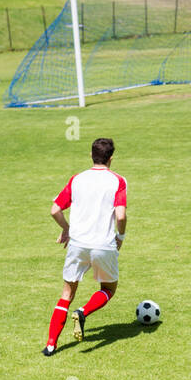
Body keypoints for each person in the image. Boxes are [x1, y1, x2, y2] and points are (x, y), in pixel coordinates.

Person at [43, 137, 127, 356]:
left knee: (66, 294)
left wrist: (66, 229)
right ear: (111, 159)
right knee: (108, 289)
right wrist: (121, 236)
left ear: (91, 155)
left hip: (78, 245)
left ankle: (51, 345)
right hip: (103, 246)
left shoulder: (77, 179)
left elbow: (54, 210)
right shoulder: (118, 181)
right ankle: (83, 311)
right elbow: (121, 215)